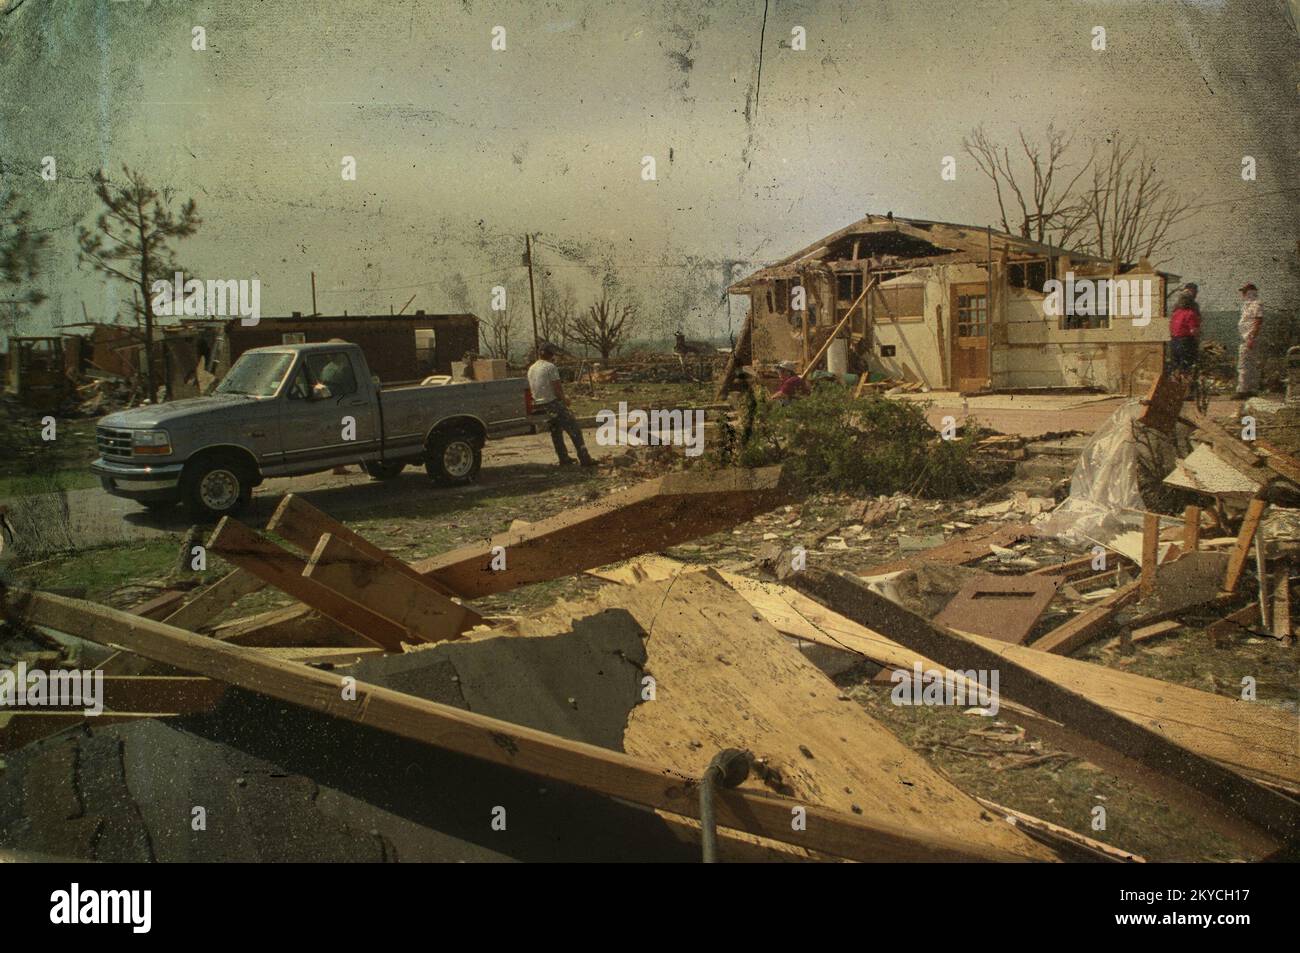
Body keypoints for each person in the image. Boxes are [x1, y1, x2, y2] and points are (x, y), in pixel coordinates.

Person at [527, 343, 595, 467]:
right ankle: (585, 458)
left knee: (556, 431)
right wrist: (565, 399)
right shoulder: (550, 367)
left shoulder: (531, 368)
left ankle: (563, 458)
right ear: (550, 354)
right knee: (574, 429)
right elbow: (557, 388)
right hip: (552, 403)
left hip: (540, 405)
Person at [1235, 283, 1264, 399]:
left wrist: (1251, 338)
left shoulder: (1256, 304)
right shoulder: (1248, 305)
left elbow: (1258, 321)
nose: (1242, 294)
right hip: (1247, 337)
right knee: (1250, 365)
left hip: (1250, 338)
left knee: (1244, 364)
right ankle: (1250, 389)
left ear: (1249, 292)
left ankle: (1243, 390)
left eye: (1244, 291)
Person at [1167, 282, 1201, 378]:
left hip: (1174, 342)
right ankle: (1186, 388)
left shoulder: (1175, 312)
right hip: (1186, 342)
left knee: (1176, 367)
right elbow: (1194, 330)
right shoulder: (1191, 313)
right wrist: (1197, 339)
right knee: (1186, 368)